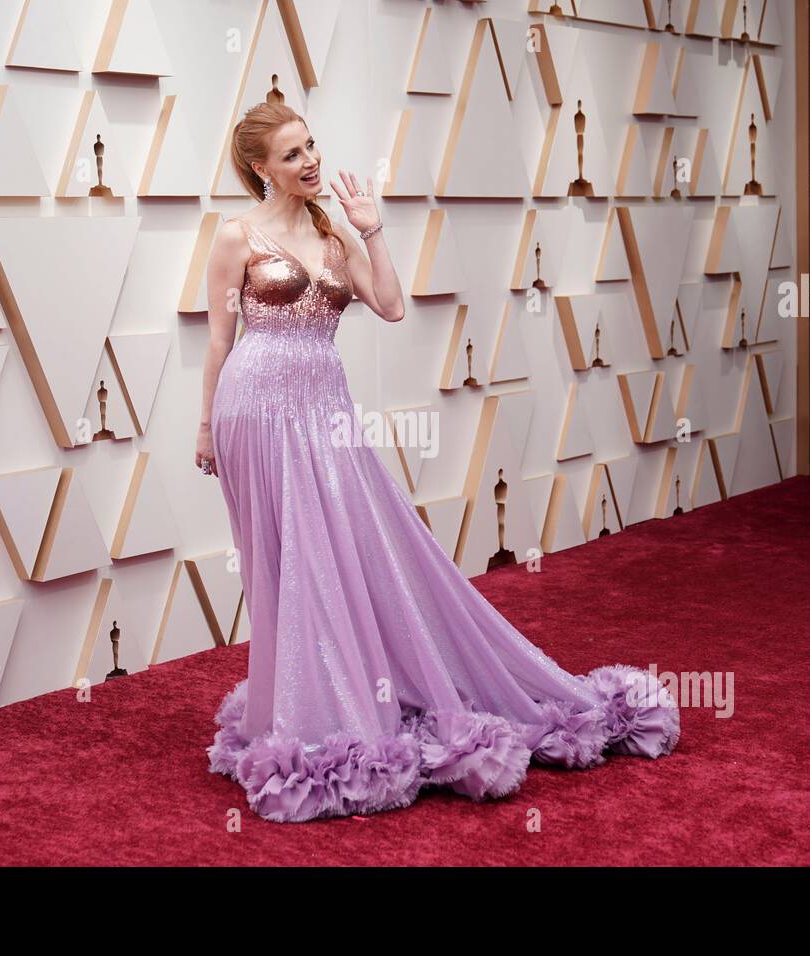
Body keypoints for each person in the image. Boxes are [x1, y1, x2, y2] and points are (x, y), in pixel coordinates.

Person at [194, 102, 678, 823]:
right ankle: (304, 704)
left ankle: (351, 694)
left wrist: (372, 230)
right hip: (253, 411)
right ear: (261, 167)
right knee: (285, 560)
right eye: (293, 155)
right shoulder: (235, 235)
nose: (311, 162)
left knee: (345, 548)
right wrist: (206, 426)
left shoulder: (333, 234)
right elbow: (217, 340)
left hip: (322, 404)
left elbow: (388, 305)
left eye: (311, 146)